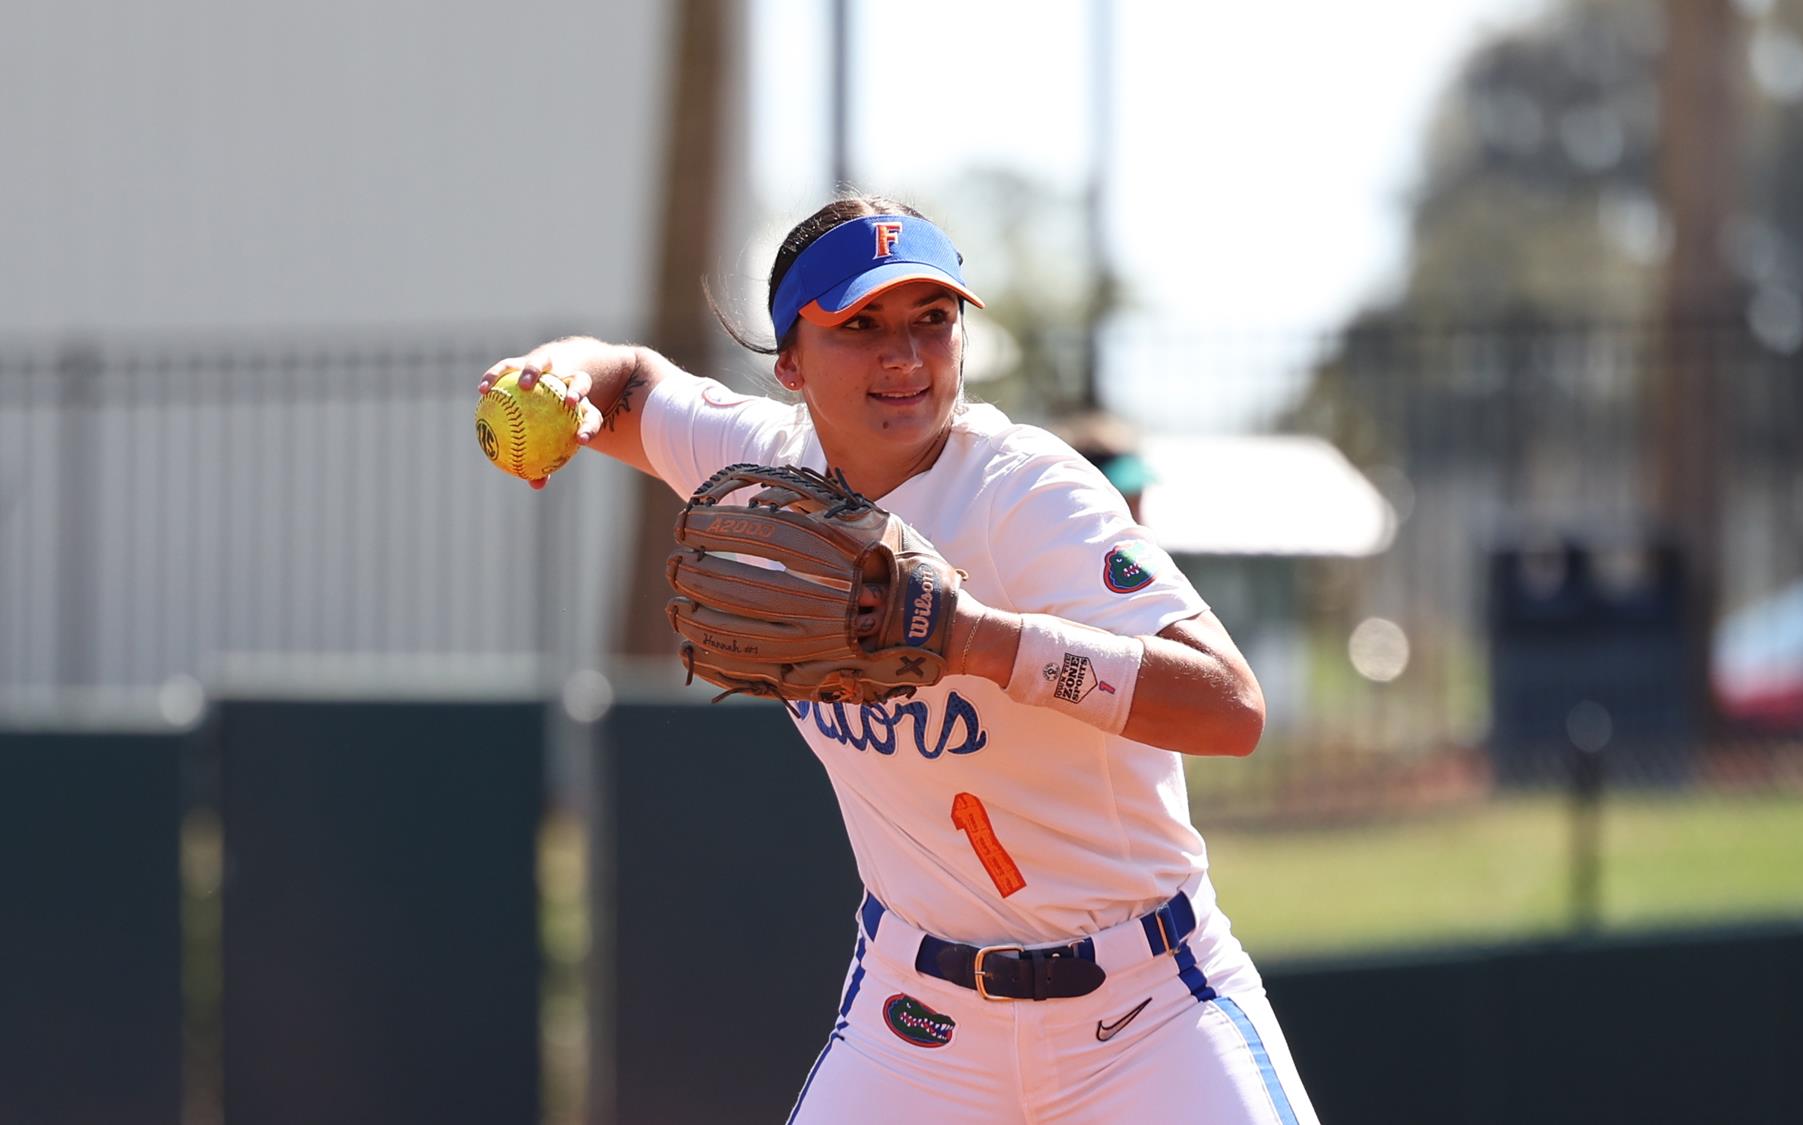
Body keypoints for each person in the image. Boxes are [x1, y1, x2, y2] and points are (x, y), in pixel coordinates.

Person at [478, 194, 1319, 1124]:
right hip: (920, 1021)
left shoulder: (1025, 493)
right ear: (790, 361)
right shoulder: (761, 467)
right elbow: (631, 382)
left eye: (932, 318)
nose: (905, 355)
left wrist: (978, 638)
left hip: (1149, 1010)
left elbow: (1229, 706)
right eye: (861, 324)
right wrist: (557, 377)